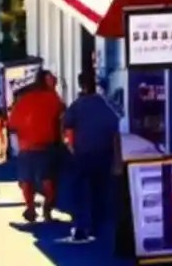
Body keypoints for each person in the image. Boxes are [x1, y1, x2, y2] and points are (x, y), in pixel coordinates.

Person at [60, 71, 120, 244]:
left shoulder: (77, 105)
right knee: (100, 191)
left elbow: (66, 125)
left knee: (79, 192)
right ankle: (97, 227)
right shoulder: (106, 105)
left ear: (81, 86)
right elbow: (115, 129)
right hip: (104, 153)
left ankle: (80, 227)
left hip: (83, 154)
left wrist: (69, 146)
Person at [7, 70, 65, 223]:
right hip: (46, 146)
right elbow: (62, 114)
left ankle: (30, 207)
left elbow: (12, 124)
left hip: (25, 146)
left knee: (27, 180)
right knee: (48, 179)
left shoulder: (23, 99)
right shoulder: (52, 99)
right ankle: (47, 208)